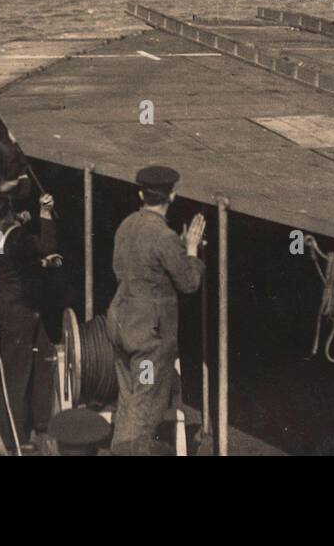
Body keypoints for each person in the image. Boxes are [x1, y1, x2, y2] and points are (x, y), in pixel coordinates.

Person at [107, 165, 206, 455]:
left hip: (121, 326)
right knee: (146, 406)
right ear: (172, 195)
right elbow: (189, 283)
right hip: (148, 339)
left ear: (141, 194)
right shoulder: (164, 238)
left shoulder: (126, 225)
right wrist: (190, 250)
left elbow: (120, 269)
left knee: (128, 400)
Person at [0, 186, 62, 452]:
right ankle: (12, 436)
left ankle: (37, 424)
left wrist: (19, 223)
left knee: (34, 362)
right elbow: (47, 246)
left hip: (5, 305)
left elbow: (0, 264)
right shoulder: (16, 238)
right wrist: (45, 213)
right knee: (17, 374)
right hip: (23, 310)